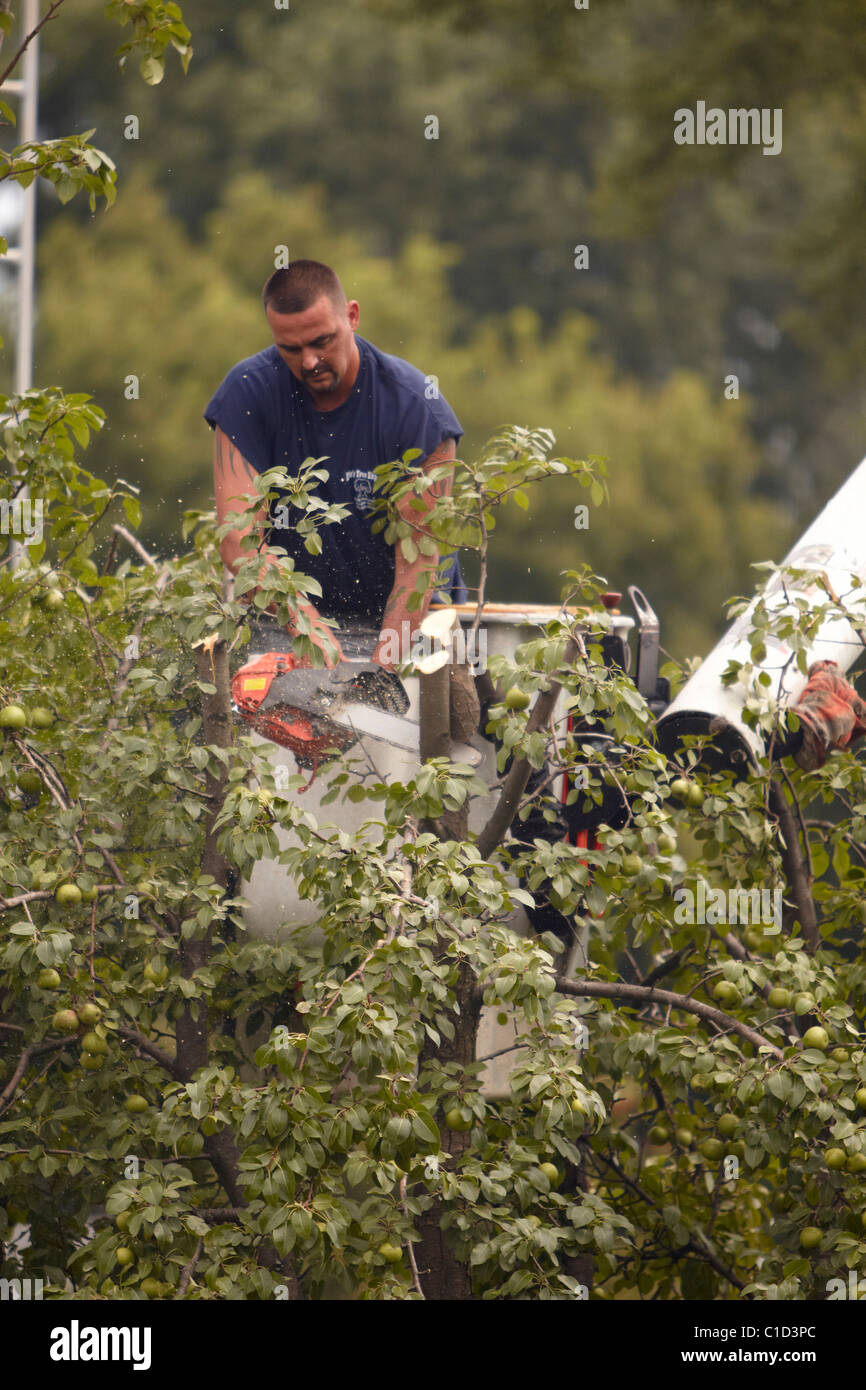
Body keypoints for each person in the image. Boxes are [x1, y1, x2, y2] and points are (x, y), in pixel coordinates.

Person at [205, 259, 466, 668]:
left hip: (415, 628)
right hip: (290, 624)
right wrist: (308, 630)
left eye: (321, 341)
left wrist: (380, 679)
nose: (309, 361)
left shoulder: (418, 409)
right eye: (290, 349)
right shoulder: (245, 395)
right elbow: (239, 541)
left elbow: (419, 564)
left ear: (353, 316)